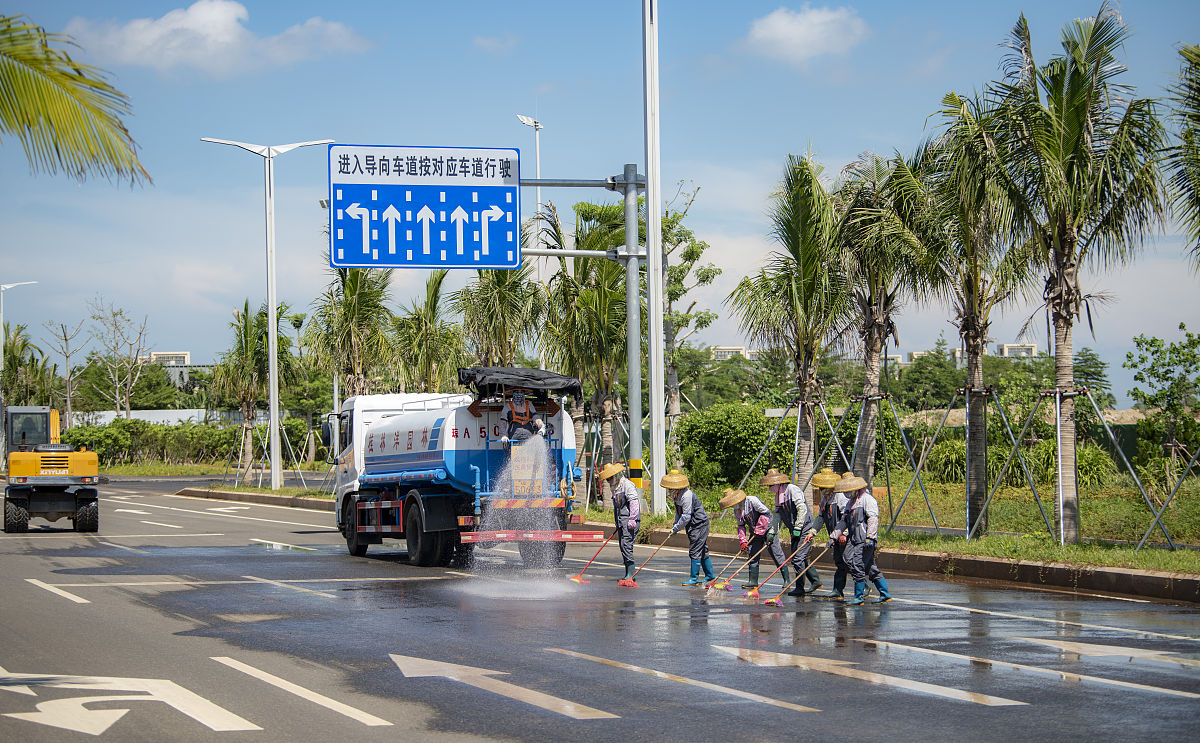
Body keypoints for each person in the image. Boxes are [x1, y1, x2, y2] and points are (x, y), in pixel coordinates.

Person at [829, 472, 892, 605]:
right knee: (864, 565)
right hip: (854, 539)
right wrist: (834, 536)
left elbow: (873, 519)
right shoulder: (850, 503)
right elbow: (843, 521)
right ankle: (885, 593)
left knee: (858, 564)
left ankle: (858, 596)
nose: (847, 494)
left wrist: (870, 537)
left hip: (865, 540)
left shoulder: (867, 500)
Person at [761, 468, 821, 596]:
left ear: (778, 483)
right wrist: (772, 532)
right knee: (797, 556)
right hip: (793, 529)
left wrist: (799, 527)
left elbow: (802, 508)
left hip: (804, 527)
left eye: (771, 485)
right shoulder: (779, 496)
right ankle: (815, 580)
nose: (770, 488)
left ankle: (800, 587)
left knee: (798, 558)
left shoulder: (792, 490)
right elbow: (777, 516)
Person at [718, 488, 788, 590]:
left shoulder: (752, 501)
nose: (733, 506)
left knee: (776, 553)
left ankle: (786, 579)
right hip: (755, 532)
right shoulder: (737, 510)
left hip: (768, 528)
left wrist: (760, 530)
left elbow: (766, 514)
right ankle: (753, 581)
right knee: (752, 554)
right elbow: (741, 526)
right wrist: (743, 541)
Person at [663, 469, 714, 586]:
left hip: (699, 524)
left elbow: (686, 516)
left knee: (695, 549)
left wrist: (677, 528)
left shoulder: (686, 495)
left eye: (671, 488)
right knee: (702, 549)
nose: (669, 490)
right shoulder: (677, 496)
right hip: (692, 525)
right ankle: (710, 575)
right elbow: (678, 513)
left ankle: (694, 578)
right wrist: (674, 525)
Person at [599, 462, 641, 585]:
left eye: (610, 478)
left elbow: (634, 502)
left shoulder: (627, 485)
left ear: (616, 475)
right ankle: (627, 573)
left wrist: (632, 519)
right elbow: (617, 508)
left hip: (630, 521)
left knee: (627, 546)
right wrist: (617, 523)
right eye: (607, 479)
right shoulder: (615, 488)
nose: (608, 481)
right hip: (622, 522)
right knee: (623, 546)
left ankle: (630, 574)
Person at [810, 468, 847, 599]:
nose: (822, 490)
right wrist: (813, 532)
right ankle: (838, 590)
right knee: (839, 562)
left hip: (844, 536)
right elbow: (820, 518)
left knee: (850, 563)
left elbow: (845, 517)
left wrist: (844, 533)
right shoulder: (825, 500)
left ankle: (863, 587)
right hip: (834, 536)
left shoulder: (840, 497)